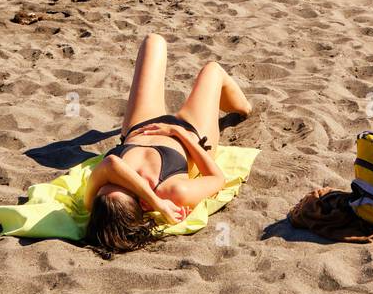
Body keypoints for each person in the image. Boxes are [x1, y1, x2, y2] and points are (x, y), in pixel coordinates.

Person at [84, 33, 251, 255]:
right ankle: (244, 108)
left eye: (105, 188)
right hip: (191, 133)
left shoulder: (96, 201)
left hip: (141, 126)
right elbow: (217, 179)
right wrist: (178, 133)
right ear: (141, 205)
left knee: (153, 41)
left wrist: (153, 200)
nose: (108, 183)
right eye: (119, 186)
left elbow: (112, 164)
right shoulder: (173, 191)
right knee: (212, 70)